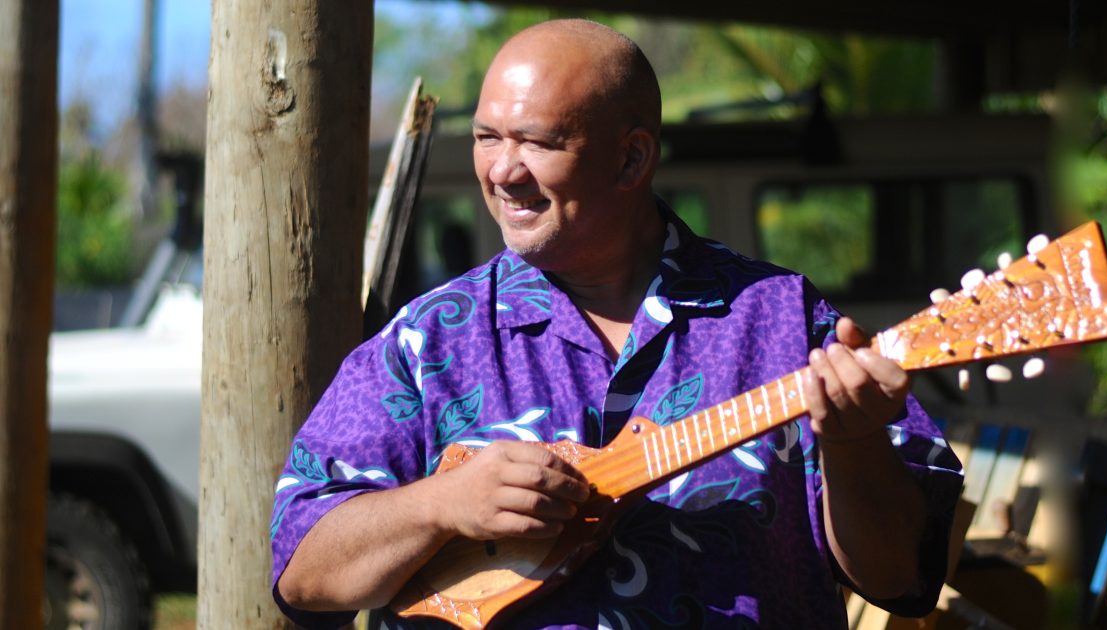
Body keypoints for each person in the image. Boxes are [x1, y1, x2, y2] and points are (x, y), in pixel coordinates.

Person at [271, 19, 963, 629]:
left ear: (632, 158)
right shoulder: (430, 339)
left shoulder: (783, 320)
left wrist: (853, 442)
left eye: (537, 142)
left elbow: (900, 579)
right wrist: (442, 505)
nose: (502, 170)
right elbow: (301, 571)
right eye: (486, 137)